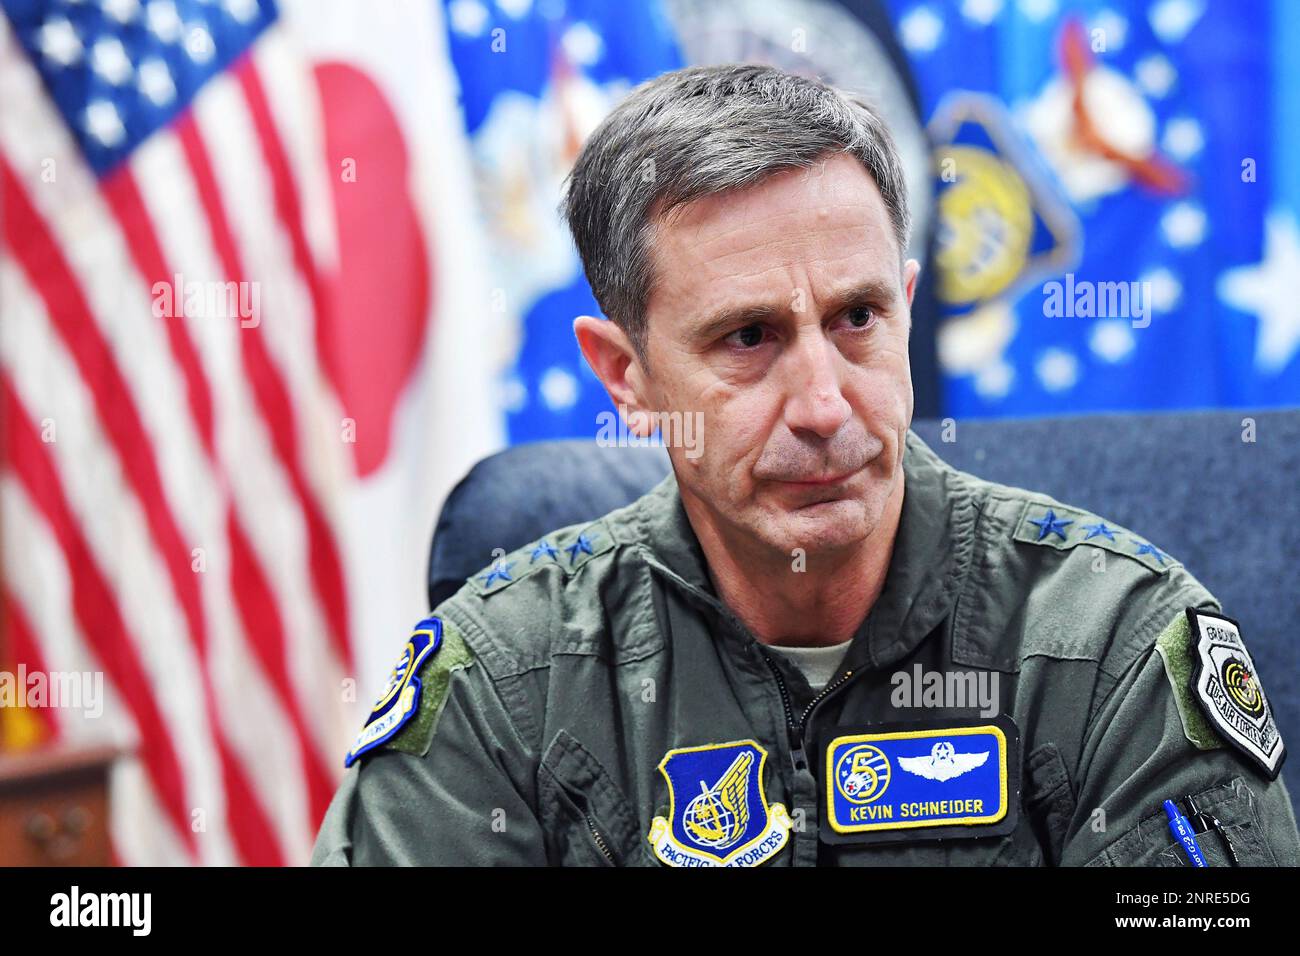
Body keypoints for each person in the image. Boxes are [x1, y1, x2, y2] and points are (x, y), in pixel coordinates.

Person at [312, 64, 1297, 866]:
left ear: (908, 306)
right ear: (627, 375)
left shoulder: (1111, 644)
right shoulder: (503, 679)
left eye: (858, 317)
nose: (825, 405)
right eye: (748, 337)